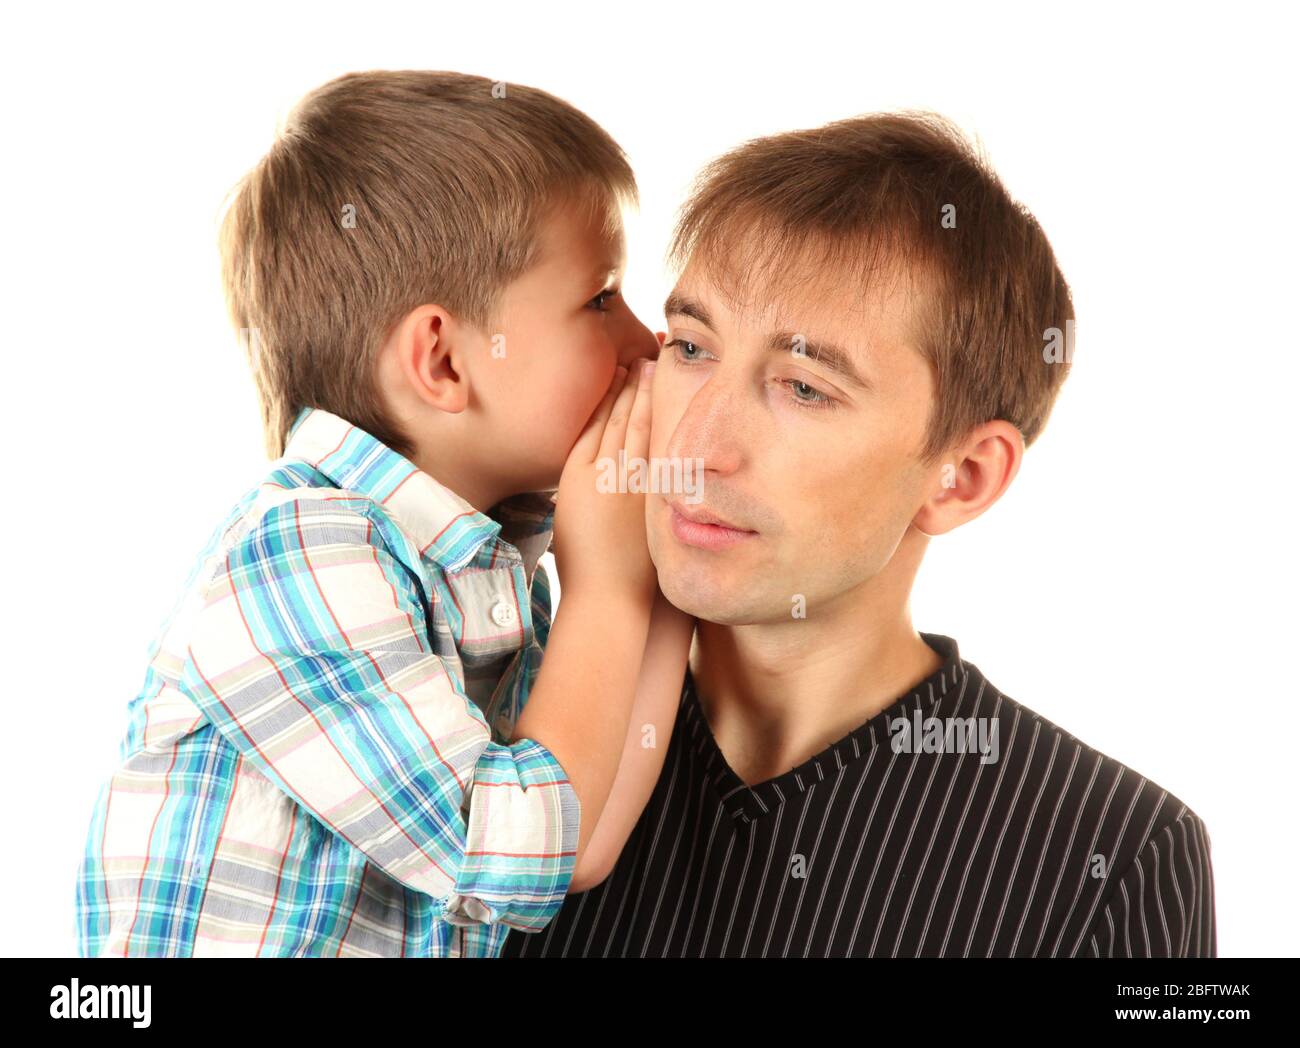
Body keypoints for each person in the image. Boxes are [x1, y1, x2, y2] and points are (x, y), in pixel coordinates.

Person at [504, 112, 1216, 958]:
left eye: (803, 388)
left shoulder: (1121, 854)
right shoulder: (480, 735)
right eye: (691, 347)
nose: (692, 449)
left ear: (964, 476)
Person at [74, 69, 694, 958]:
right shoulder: (301, 549)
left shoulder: (494, 564)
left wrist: (654, 582)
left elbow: (578, 845)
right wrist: (605, 589)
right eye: (600, 298)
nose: (648, 344)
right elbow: (508, 848)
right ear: (441, 362)